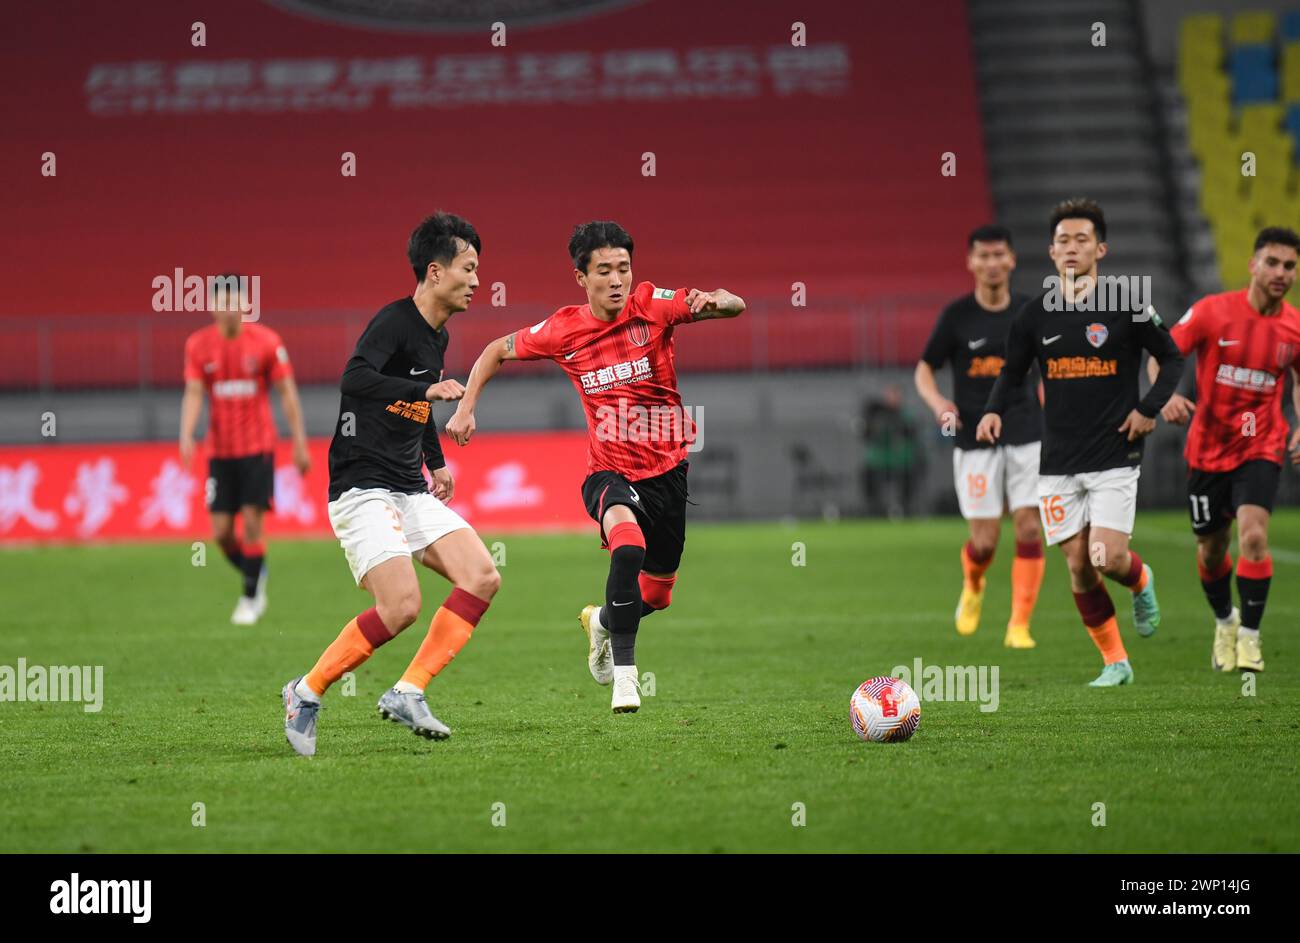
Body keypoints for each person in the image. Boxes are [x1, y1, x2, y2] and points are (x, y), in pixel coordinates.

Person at [445, 220, 745, 713]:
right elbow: (496, 349)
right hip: (609, 475)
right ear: (581, 278)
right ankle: (627, 680)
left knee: (658, 595)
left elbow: (734, 305)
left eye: (623, 268)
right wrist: (465, 408)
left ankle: (601, 621)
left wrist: (717, 300)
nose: (617, 279)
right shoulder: (564, 329)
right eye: (604, 270)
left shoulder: (653, 305)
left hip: (669, 473)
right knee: (627, 546)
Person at [281, 213, 501, 757]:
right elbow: (354, 377)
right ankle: (305, 692)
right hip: (361, 486)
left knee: (481, 576)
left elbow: (415, 404)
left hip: (408, 486)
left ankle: (409, 691)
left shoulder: (437, 335)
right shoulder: (394, 321)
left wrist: (436, 462)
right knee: (402, 606)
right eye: (468, 268)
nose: (477, 281)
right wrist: (424, 392)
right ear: (435, 271)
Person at [977, 198, 1183, 686]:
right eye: (1063, 241)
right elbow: (1012, 372)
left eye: (1082, 240)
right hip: (1057, 459)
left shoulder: (1129, 302)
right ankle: (1115, 662)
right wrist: (991, 410)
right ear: (1051, 252)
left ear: (1100, 249)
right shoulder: (1033, 315)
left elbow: (1172, 358)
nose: (1072, 248)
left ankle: (1140, 579)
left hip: (1114, 452)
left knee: (1105, 558)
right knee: (1078, 565)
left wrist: (1148, 408)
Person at [1149, 226, 1300, 672]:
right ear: (1253, 265)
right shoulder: (1213, 312)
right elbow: (1161, 353)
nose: (1281, 273)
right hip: (1208, 451)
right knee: (1212, 549)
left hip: (1261, 444)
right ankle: (1225, 622)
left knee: (1253, 536)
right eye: (1272, 263)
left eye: (1290, 266)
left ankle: (1250, 638)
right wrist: (1165, 396)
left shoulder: (1294, 326)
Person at [914, 225, 1045, 646]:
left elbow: (1051, 363)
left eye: (998, 255)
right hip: (974, 438)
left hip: (1026, 430)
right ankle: (973, 583)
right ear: (971, 262)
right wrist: (939, 404)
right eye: (983, 256)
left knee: (1029, 528)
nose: (992, 263)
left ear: (1012, 260)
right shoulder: (957, 316)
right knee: (985, 542)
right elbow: (924, 369)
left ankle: (1019, 624)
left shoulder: (1029, 312)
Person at [181, 276, 310, 625]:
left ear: (245, 305)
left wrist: (299, 441)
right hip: (220, 452)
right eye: (222, 303)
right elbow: (194, 392)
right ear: (212, 307)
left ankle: (250, 598)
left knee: (253, 524)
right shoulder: (198, 345)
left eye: (235, 302)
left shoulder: (267, 342)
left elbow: (287, 392)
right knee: (221, 533)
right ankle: (256, 571)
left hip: (257, 448)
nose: (229, 310)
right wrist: (186, 433)